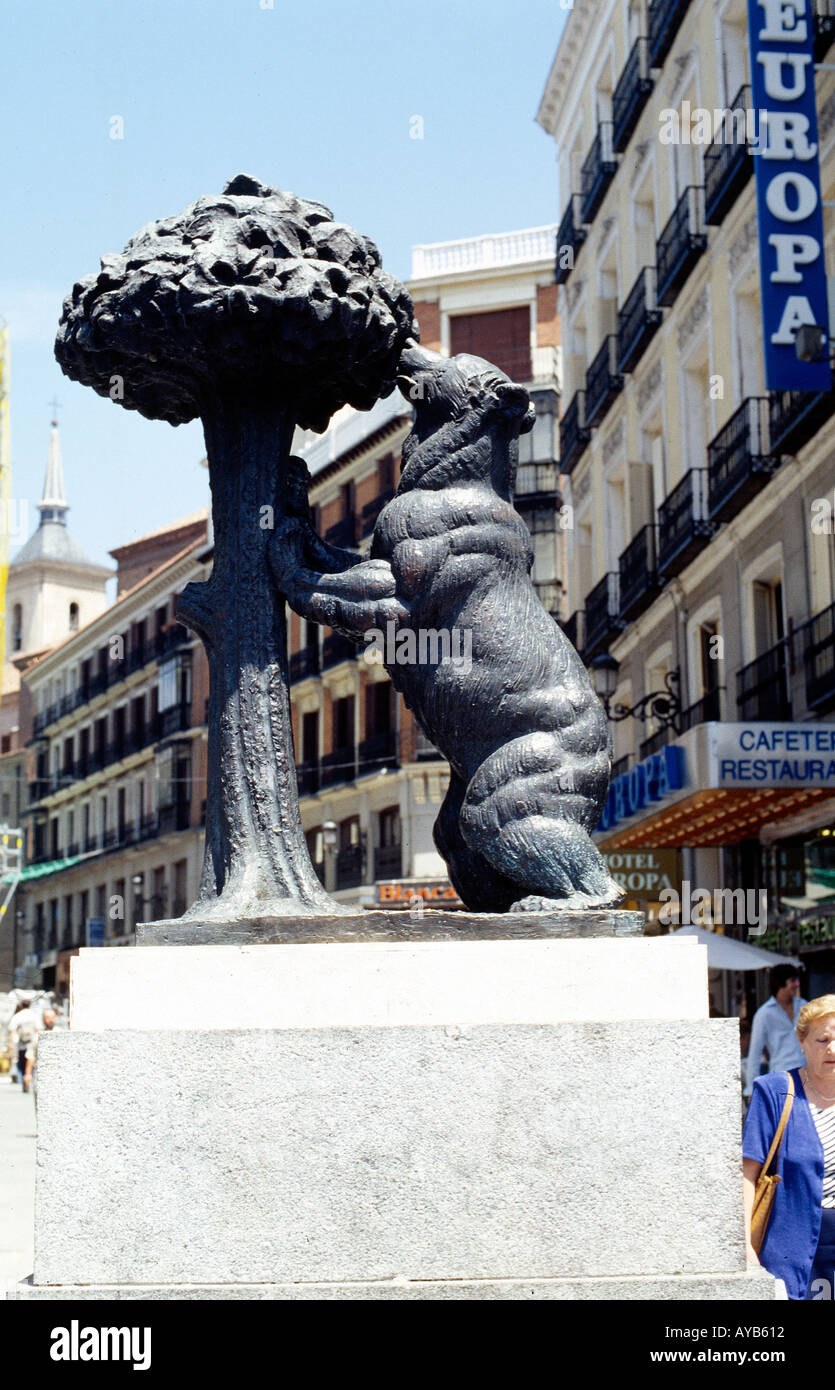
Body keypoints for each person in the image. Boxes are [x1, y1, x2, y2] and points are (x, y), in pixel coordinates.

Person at [742, 994, 835, 1300]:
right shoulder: (776, 1092)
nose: (832, 1049)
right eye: (822, 1040)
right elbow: (747, 1175)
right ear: (802, 1042)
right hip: (790, 1253)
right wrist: (744, 1246)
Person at [743, 964, 806, 1097]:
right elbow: (754, 1054)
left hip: (807, 1075)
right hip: (781, 1077)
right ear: (780, 983)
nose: (797, 984)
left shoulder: (804, 1006)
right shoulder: (764, 1014)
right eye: (792, 980)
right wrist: (751, 1089)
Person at [25, 1007, 57, 1106]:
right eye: (48, 1017)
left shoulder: (61, 1034)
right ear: (43, 1019)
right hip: (41, 1075)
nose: (50, 1020)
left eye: (52, 1017)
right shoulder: (38, 1036)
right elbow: (31, 1056)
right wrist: (27, 1074)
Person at [8, 999, 40, 1093]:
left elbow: (12, 1031)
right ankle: (29, 1077)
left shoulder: (17, 1016)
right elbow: (38, 1029)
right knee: (31, 1062)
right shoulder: (34, 1015)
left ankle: (25, 1078)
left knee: (22, 1062)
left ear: (21, 1006)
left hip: (22, 1044)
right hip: (32, 1043)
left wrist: (11, 1044)